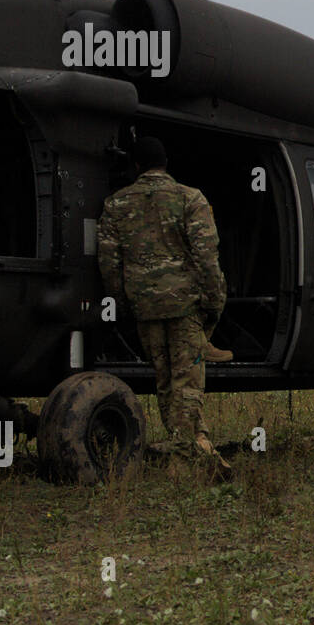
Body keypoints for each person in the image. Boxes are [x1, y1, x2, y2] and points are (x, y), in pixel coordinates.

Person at [97, 136, 231, 478]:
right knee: (188, 381)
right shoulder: (190, 198)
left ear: (136, 166)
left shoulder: (116, 205)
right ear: (165, 163)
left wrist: (125, 302)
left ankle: (186, 441)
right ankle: (186, 453)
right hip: (185, 305)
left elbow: (109, 264)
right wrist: (214, 303)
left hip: (145, 306)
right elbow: (206, 256)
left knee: (166, 378)